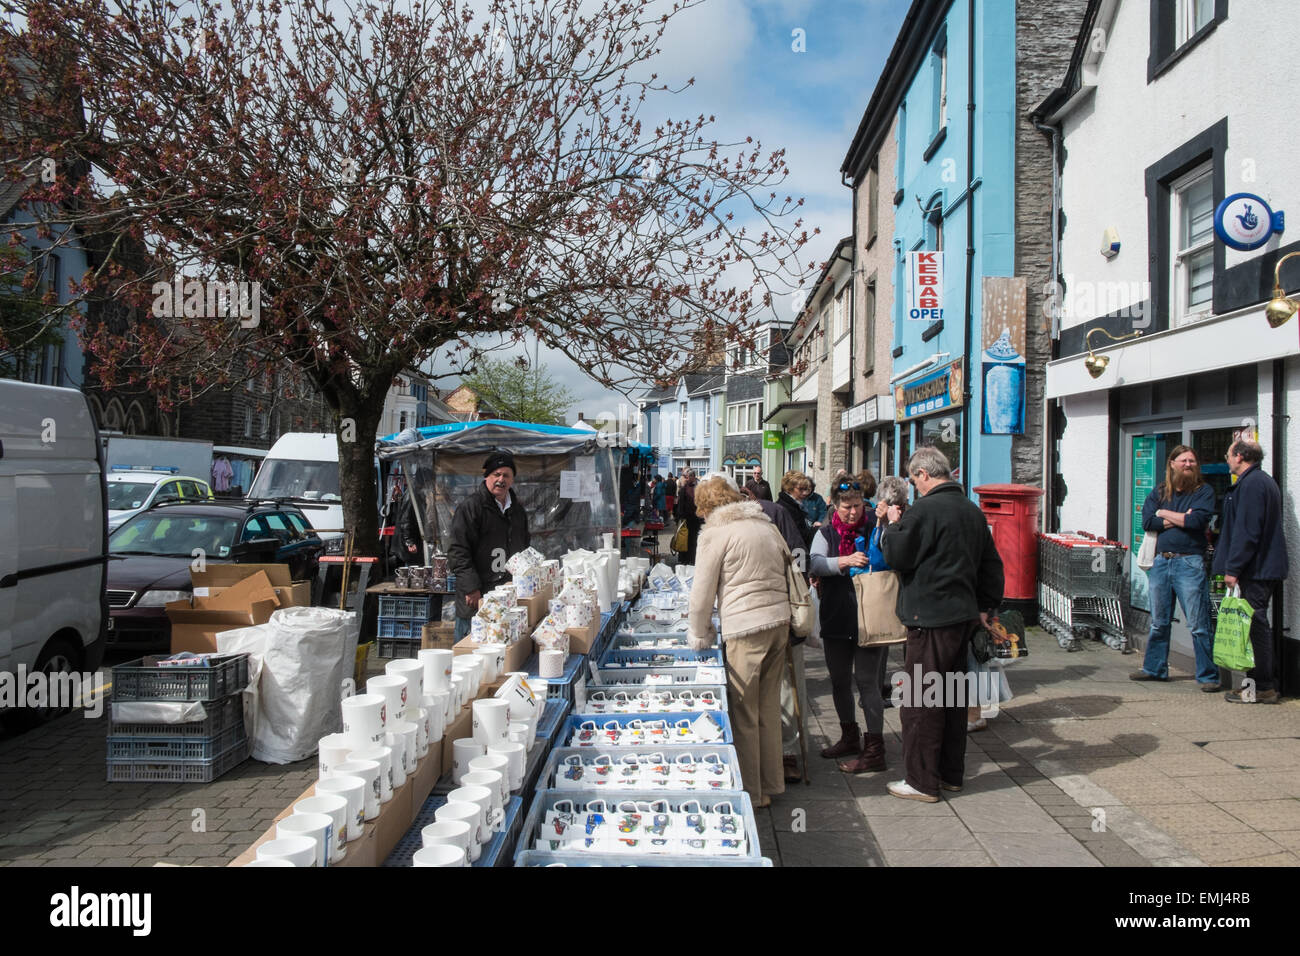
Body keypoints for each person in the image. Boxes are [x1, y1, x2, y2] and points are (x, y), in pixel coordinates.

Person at [880, 447, 1004, 802]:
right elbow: (991, 565)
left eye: (914, 479)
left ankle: (921, 781)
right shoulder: (971, 511)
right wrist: (984, 607)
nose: (914, 486)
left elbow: (898, 556)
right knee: (951, 701)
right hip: (962, 617)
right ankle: (951, 775)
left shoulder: (925, 510)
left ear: (923, 475)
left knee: (921, 701)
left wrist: (891, 525)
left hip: (928, 618)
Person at [687, 476, 791, 807]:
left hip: (746, 626)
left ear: (705, 505)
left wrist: (699, 633)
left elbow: (701, 595)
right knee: (769, 707)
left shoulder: (715, 533)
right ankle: (771, 783)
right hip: (780, 621)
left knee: (744, 712)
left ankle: (752, 791)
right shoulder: (764, 525)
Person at [809, 470, 885, 769]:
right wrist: (844, 561)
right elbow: (814, 563)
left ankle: (875, 747)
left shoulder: (877, 528)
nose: (853, 512)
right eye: (846, 506)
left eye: (857, 505)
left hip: (871, 618)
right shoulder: (826, 532)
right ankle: (849, 736)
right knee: (839, 681)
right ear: (835, 506)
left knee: (867, 683)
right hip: (837, 616)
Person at [1130, 445, 1217, 689]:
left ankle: (1208, 676)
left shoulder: (1204, 491)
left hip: (1189, 562)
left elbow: (1197, 521)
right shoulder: (1160, 491)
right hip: (1161, 562)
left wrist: (1164, 514)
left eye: (1192, 460)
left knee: (1198, 624)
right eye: (1183, 460)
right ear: (1172, 463)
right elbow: (1147, 521)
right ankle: (1154, 669)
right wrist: (1180, 518)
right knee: (1159, 621)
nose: (1188, 464)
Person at [1213, 439, 1289, 704]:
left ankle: (1262, 686)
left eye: (1228, 455)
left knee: (1255, 626)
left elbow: (1247, 532)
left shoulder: (1253, 484)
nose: (1227, 460)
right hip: (1259, 568)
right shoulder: (1257, 482)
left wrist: (1233, 569)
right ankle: (1257, 684)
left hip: (1256, 570)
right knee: (1254, 626)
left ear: (1241, 456)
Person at [446, 451, 531, 640]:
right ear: (487, 476)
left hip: (507, 593)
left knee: (503, 648)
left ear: (512, 480)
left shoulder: (517, 511)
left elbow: (524, 547)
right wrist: (471, 587)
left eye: (506, 475)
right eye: (496, 474)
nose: (501, 479)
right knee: (472, 650)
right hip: (477, 594)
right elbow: (458, 550)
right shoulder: (471, 507)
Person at [776, 470, 813, 548]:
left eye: (806, 489)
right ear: (789, 488)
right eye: (801, 489)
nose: (805, 493)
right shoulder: (784, 508)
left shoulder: (798, 505)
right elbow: (794, 539)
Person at [675, 468, 701, 565]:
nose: (688, 478)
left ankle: (692, 559)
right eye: (687, 476)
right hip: (685, 517)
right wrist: (680, 516)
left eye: (690, 476)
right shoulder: (684, 488)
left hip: (695, 518)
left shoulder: (698, 488)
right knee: (684, 538)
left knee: (693, 539)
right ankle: (683, 559)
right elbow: (681, 503)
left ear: (694, 477)